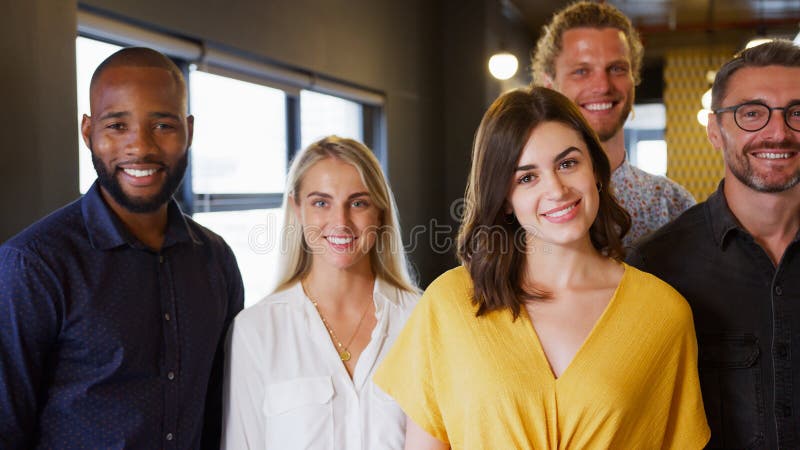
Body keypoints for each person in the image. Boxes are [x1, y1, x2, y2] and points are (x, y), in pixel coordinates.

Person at [373, 86, 709, 449]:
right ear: (504, 199)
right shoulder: (448, 304)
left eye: (567, 163)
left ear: (595, 168)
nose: (557, 189)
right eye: (526, 177)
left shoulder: (663, 314)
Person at [0, 47, 243, 449]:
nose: (141, 147)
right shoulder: (33, 265)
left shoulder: (216, 260)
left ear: (190, 131)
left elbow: (223, 414)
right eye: (117, 126)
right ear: (87, 132)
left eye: (163, 126)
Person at [627, 40, 800, 449]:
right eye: (752, 113)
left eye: (797, 112)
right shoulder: (657, 266)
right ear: (714, 130)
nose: (778, 132)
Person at [221, 136, 420, 449]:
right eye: (321, 203)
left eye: (358, 203)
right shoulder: (256, 331)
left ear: (379, 213)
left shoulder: (421, 321)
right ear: (297, 209)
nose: (340, 222)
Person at [532, 1, 695, 245]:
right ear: (549, 85)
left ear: (634, 78)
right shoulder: (524, 202)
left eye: (617, 69)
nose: (603, 86)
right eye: (581, 71)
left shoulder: (672, 205)